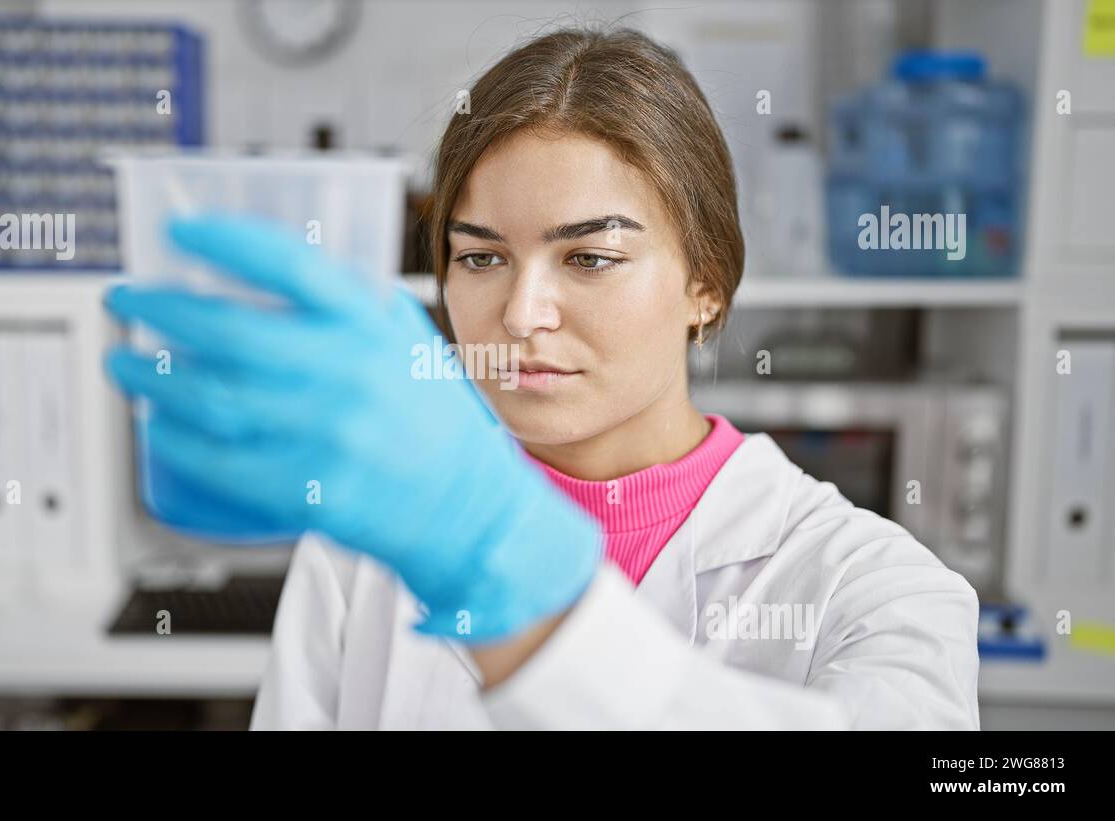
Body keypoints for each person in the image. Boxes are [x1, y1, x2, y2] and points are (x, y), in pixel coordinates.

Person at [104, 28, 980, 730]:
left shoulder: (876, 589)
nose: (522, 313)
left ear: (705, 281)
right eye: (480, 257)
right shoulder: (360, 543)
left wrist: (505, 577)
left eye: (591, 256)